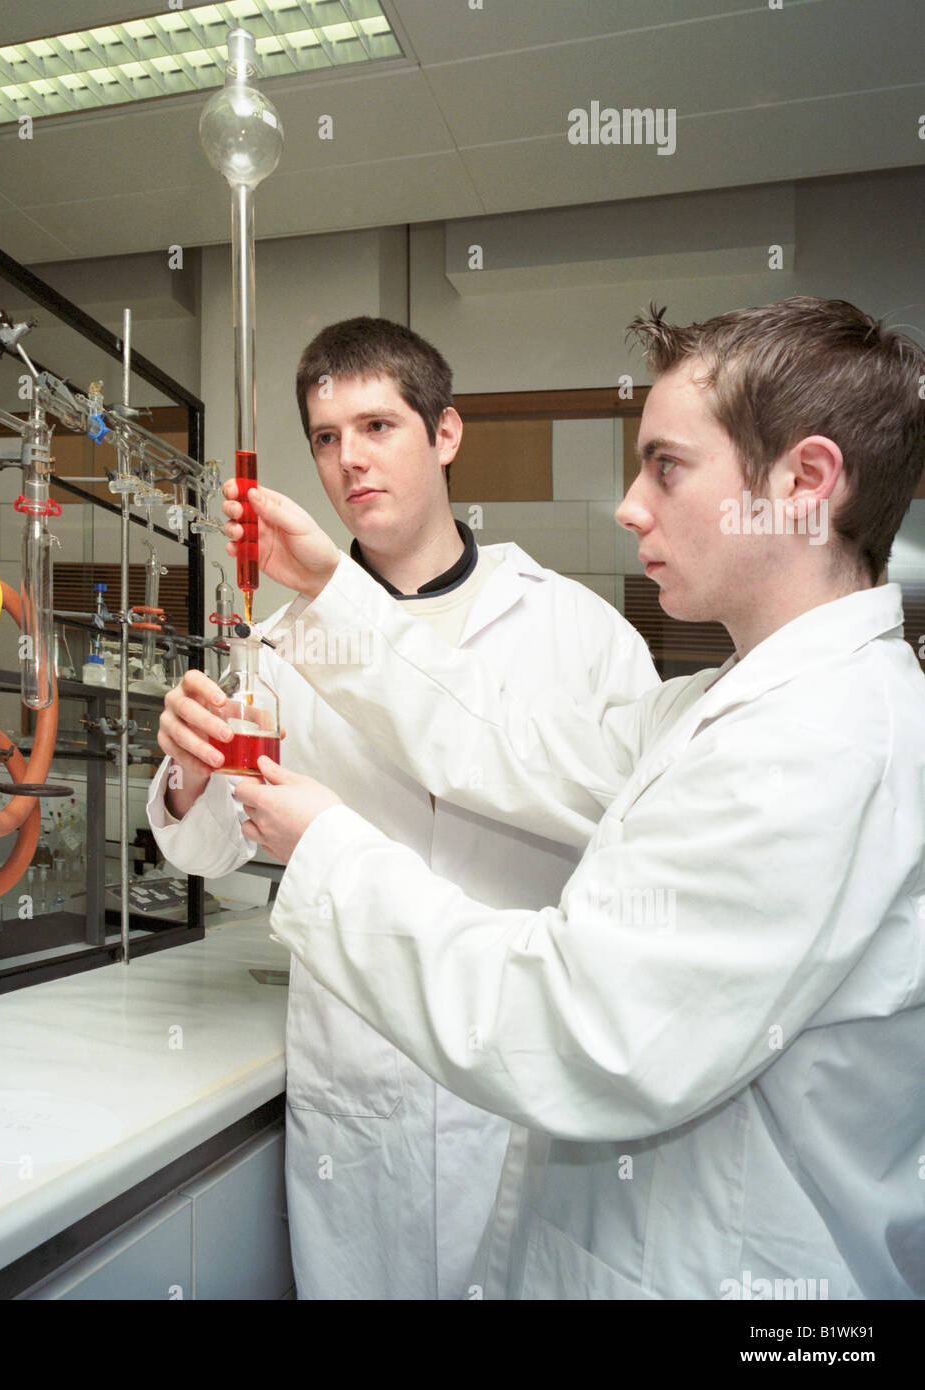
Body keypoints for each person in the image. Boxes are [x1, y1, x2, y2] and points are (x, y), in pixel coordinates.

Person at [221, 297, 925, 1300]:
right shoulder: (732, 701)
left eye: (666, 466)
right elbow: (506, 741)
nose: (629, 505)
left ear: (802, 483)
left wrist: (325, 849)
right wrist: (335, 592)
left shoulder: (819, 740)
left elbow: (579, 1029)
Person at [147, 316, 658, 1299]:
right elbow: (209, 852)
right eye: (326, 437)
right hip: (359, 1071)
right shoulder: (278, 642)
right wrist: (189, 773)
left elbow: (627, 832)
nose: (348, 460)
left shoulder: (573, 629)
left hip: (519, 1073)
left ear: (445, 434)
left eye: (377, 425)